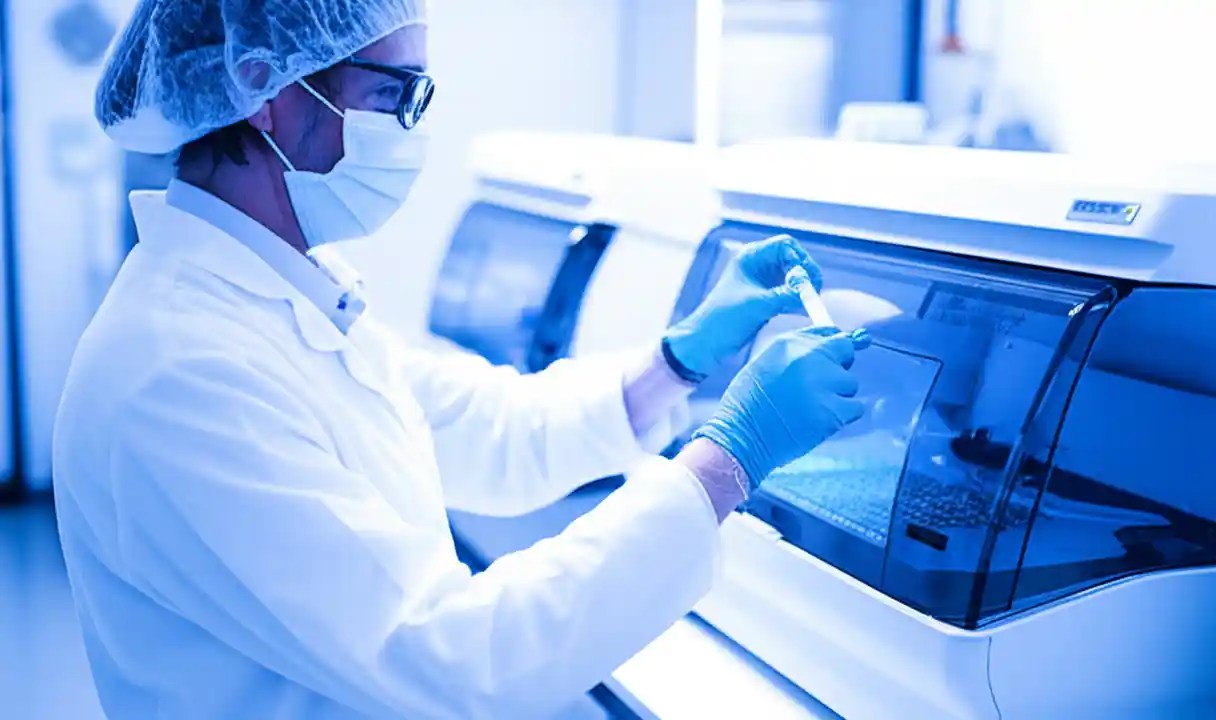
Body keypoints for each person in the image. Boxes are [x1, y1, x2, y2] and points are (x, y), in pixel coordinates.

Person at [52, 1, 869, 717]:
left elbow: (479, 429)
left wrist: (678, 363)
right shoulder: (176, 374)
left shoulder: (288, 290)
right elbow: (460, 659)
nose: (414, 128)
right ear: (266, 89)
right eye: (393, 94)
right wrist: (732, 455)